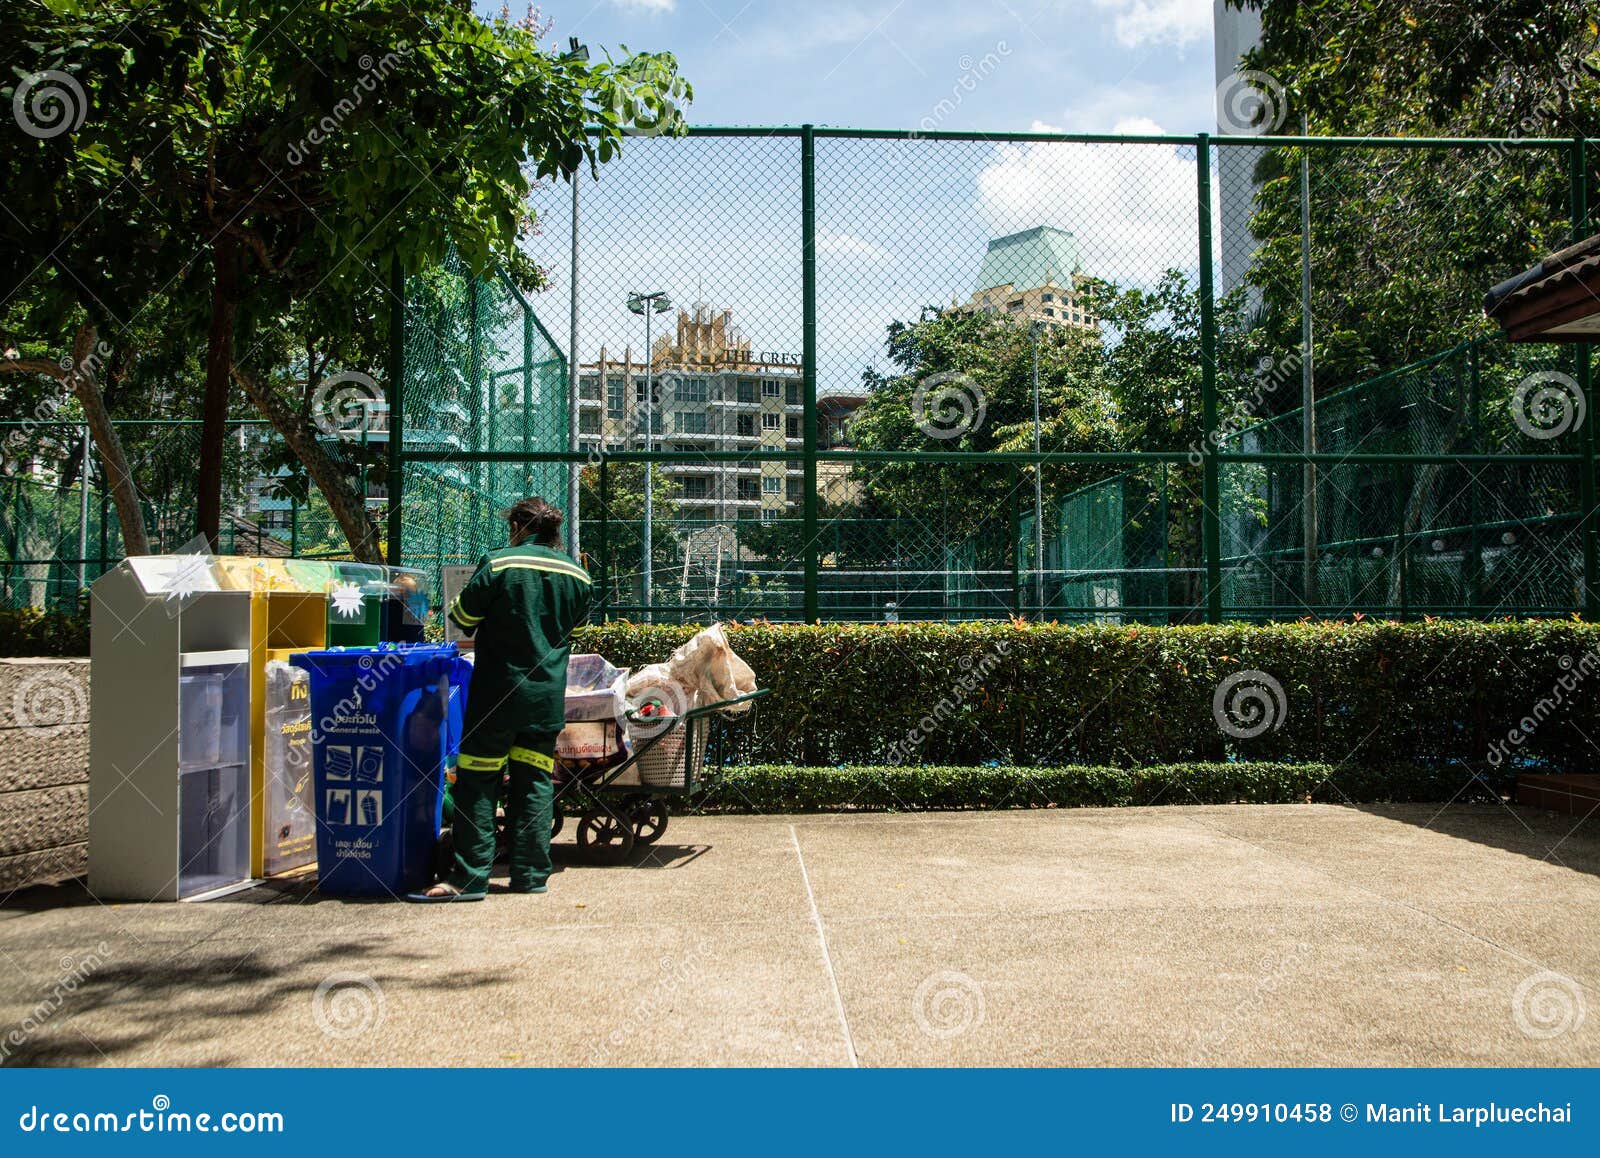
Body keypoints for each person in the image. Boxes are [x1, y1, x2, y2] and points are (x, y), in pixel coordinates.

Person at [408, 497, 592, 902]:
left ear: (518, 527)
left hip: (496, 694)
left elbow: (463, 616)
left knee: (477, 780)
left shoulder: (499, 562)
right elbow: (573, 630)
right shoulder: (578, 574)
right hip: (544, 699)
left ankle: (470, 878)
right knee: (534, 782)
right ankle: (531, 875)